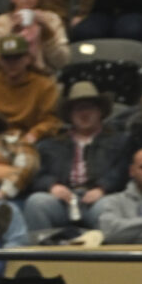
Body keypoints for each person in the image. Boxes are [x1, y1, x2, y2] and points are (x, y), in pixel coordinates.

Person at [23, 81, 122, 235]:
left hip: (100, 199)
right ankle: (43, 257)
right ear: (70, 114)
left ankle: (105, 258)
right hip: (63, 200)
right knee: (36, 202)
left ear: (100, 112)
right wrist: (52, 186)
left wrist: (103, 188)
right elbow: (36, 173)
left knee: (108, 206)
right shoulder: (50, 144)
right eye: (78, 109)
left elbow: (123, 170)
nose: (84, 113)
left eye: (89, 107)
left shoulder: (118, 141)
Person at [0, 0, 67, 74]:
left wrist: (48, 34)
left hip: (42, 78)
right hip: (7, 78)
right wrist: (11, 35)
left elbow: (62, 61)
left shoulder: (51, 20)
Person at [0, 35, 58, 144]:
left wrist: (33, 135)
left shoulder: (44, 85)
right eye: (7, 58)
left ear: (28, 59)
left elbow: (51, 120)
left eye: (17, 57)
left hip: (31, 141)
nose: (12, 63)